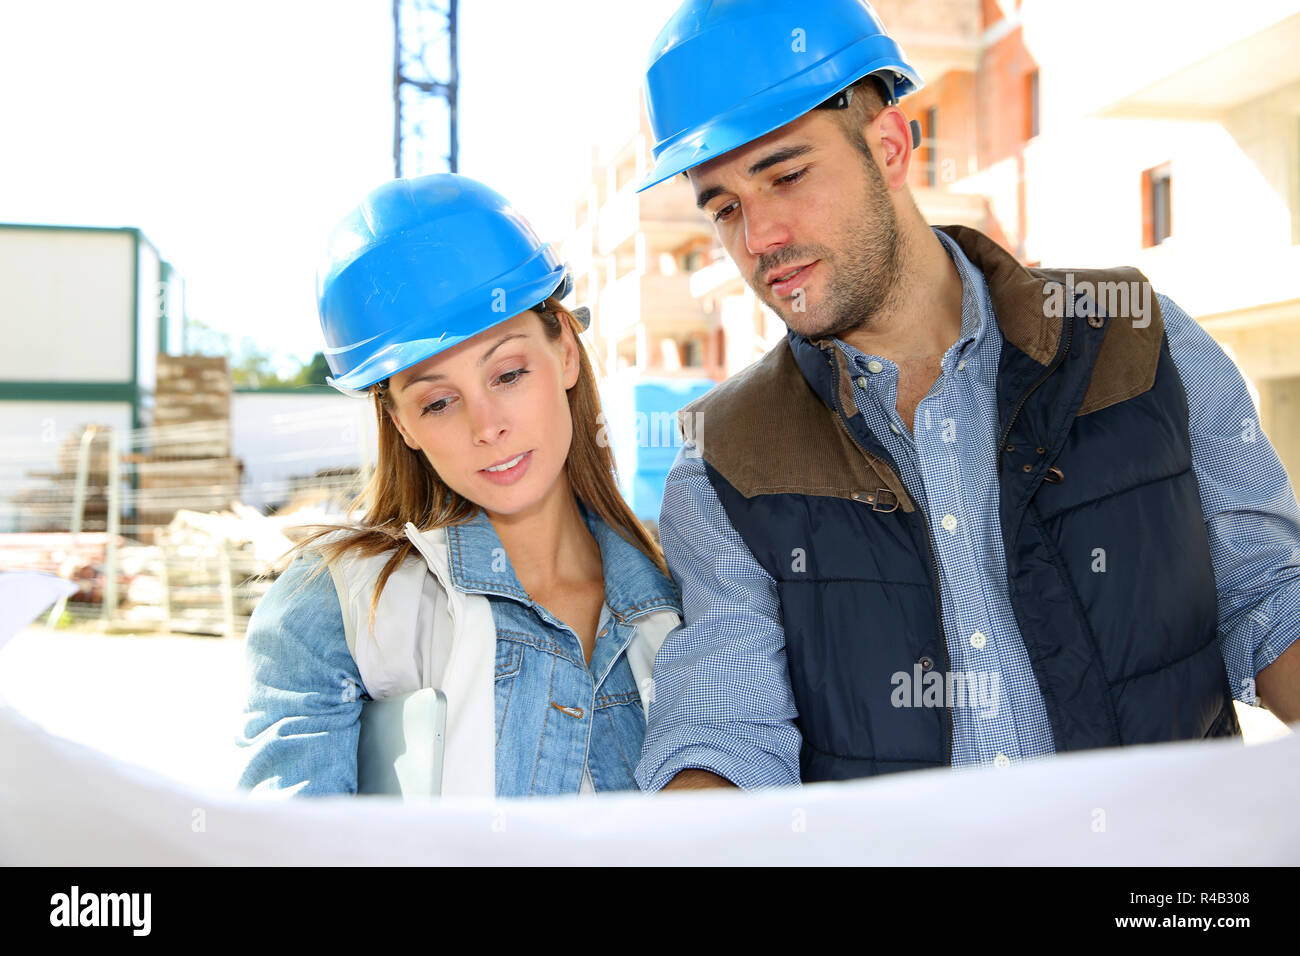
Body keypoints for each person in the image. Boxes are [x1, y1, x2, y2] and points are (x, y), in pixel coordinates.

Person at [632, 0, 1300, 791]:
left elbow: (1270, 593)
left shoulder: (1134, 337)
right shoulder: (724, 461)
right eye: (727, 207)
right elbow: (724, 728)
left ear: (888, 146)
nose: (760, 238)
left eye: (787, 175)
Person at [236, 174, 682, 798]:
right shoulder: (332, 604)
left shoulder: (684, 593)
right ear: (402, 424)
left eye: (507, 374)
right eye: (439, 401)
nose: (487, 427)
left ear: (566, 356)